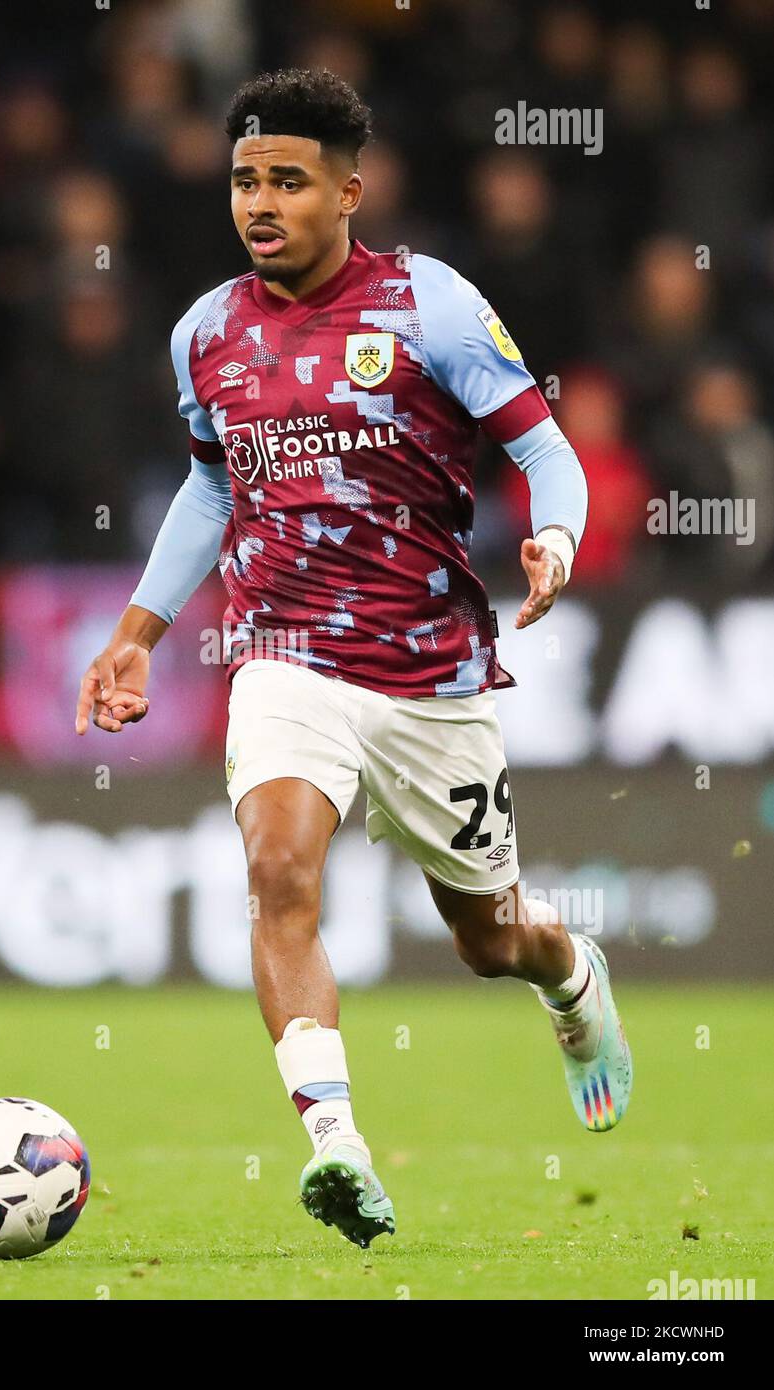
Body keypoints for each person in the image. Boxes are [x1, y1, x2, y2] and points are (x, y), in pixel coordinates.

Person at [75, 68, 631, 1248]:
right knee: (278, 869)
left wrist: (555, 531)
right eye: (243, 180)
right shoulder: (206, 333)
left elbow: (547, 449)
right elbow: (209, 485)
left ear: (348, 192)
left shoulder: (428, 306)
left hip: (432, 674)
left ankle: (569, 973)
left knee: (489, 938)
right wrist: (136, 634)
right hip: (284, 656)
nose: (259, 202)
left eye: (287, 180)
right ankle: (338, 1145)